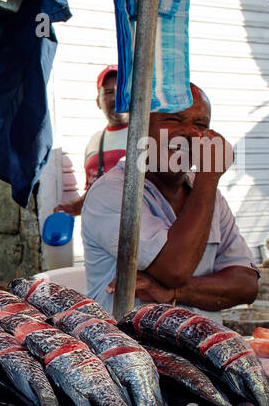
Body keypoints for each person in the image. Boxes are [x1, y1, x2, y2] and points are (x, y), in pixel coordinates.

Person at [81, 83, 257, 319]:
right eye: (173, 120)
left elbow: (246, 285)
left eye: (201, 125)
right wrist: (208, 177)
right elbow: (173, 270)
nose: (190, 133)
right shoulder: (112, 192)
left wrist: (173, 292)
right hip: (127, 351)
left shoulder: (208, 192)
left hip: (201, 348)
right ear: (140, 126)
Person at [56, 65, 129, 216]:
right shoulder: (94, 143)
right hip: (99, 236)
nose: (115, 97)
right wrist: (72, 208)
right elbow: (93, 193)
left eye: (121, 90)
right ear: (98, 101)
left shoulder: (146, 136)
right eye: (108, 92)